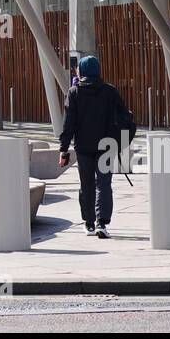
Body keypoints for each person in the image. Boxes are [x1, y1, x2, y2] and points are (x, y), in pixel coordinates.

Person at [57, 55, 132, 239]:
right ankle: (102, 223)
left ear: (81, 71)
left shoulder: (74, 93)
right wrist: (120, 139)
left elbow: (69, 124)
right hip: (106, 146)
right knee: (104, 184)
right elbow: (125, 116)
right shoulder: (109, 92)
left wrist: (63, 148)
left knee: (87, 184)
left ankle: (89, 223)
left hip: (83, 147)